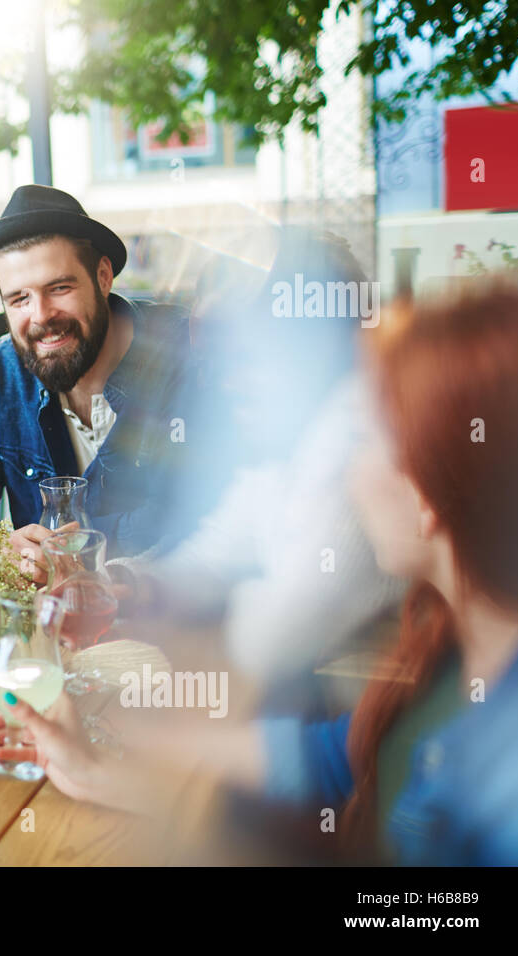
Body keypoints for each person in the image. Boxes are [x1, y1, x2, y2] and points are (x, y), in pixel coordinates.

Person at [0, 279, 518, 865]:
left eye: (368, 441)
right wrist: (109, 766)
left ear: (426, 496)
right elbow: (337, 753)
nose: (352, 470)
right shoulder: (460, 650)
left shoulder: (509, 788)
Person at [108, 230, 407, 689]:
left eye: (253, 356)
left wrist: (160, 606)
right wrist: (127, 585)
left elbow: (266, 644)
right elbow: (214, 555)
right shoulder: (289, 438)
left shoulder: (363, 448)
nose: (229, 380)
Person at [0, 184, 191, 570]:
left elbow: (203, 519)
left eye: (59, 288)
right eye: (19, 299)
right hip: (49, 622)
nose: (41, 316)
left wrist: (67, 553)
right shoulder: (2, 371)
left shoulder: (183, 354)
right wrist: (3, 549)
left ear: (103, 276)